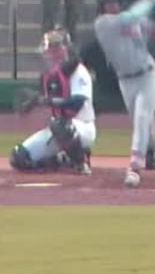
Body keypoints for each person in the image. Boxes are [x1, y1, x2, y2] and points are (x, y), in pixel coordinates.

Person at [93, 0, 155, 188]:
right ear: (101, 7)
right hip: (126, 81)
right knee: (148, 132)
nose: (112, 6)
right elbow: (129, 18)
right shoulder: (102, 24)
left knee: (142, 116)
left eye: (115, 1)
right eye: (108, 3)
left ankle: (134, 168)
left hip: (150, 76)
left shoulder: (134, 19)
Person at [9, 29, 96, 175]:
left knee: (60, 124)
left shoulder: (78, 71)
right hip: (58, 129)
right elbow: (47, 100)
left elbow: (77, 102)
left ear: (61, 49)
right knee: (19, 157)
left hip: (83, 128)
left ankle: (81, 161)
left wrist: (45, 101)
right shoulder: (50, 76)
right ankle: (63, 159)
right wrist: (35, 102)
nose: (47, 54)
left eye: (51, 50)